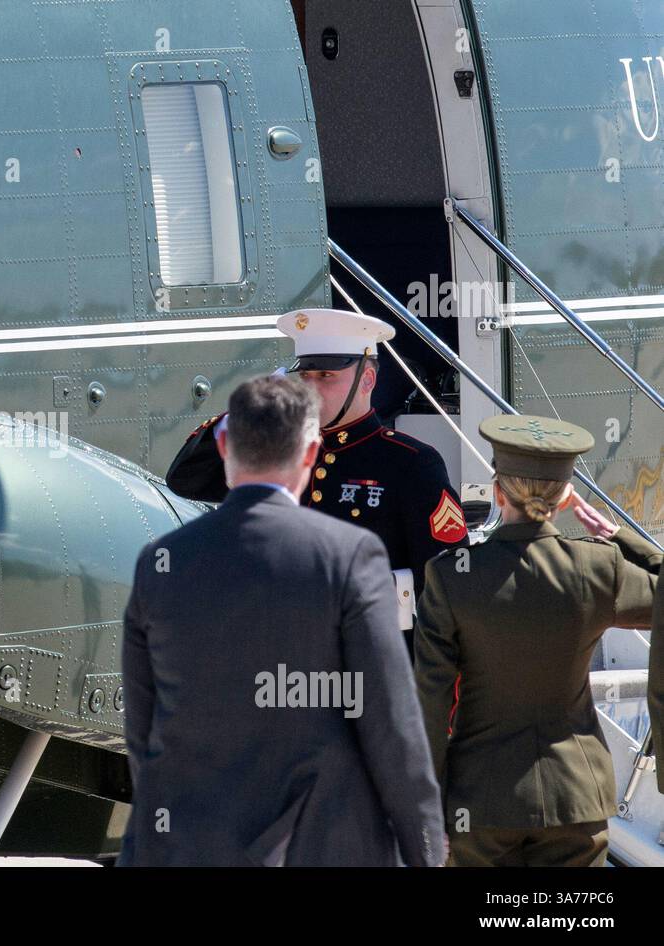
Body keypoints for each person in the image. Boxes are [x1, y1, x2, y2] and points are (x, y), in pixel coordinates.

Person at [120, 374, 445, 866]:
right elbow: (390, 723)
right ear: (311, 453)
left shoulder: (160, 561)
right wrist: (423, 845)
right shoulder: (350, 557)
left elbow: (143, 727)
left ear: (225, 443)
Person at [415, 414, 661, 867]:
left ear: (497, 492)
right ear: (566, 497)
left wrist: (425, 805)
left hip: (479, 801)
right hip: (576, 799)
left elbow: (430, 698)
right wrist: (621, 538)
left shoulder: (451, 576)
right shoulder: (596, 568)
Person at [166, 309, 466, 605]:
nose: (311, 388)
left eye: (326, 376)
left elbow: (446, 584)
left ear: (367, 380)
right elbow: (186, 480)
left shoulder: (410, 463)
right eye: (305, 376)